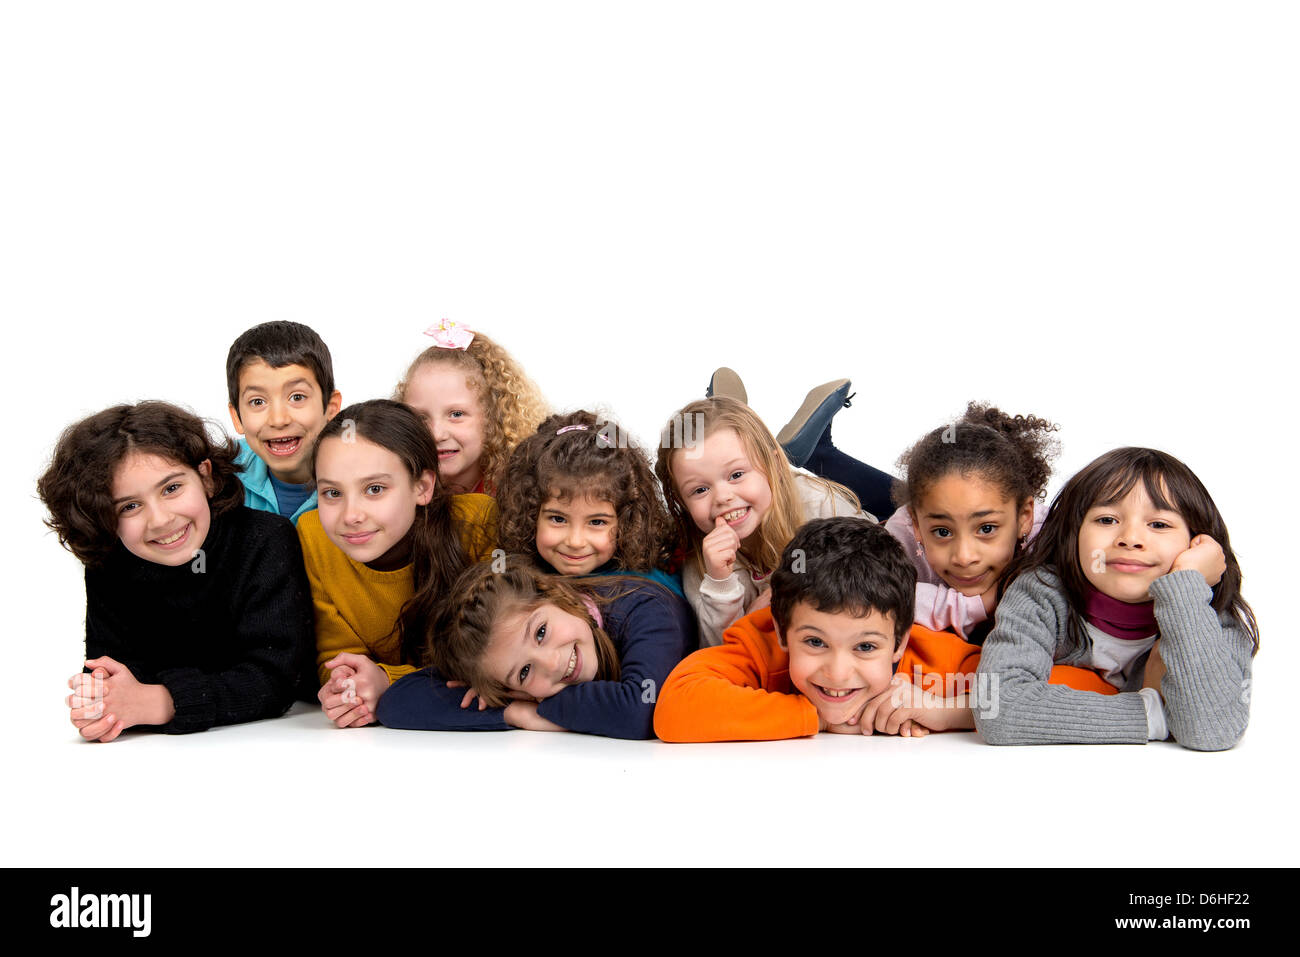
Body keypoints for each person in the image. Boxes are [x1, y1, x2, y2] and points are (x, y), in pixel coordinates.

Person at [40, 401, 313, 741]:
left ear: (206, 478)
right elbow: (113, 664)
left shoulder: (263, 542)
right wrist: (101, 701)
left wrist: (162, 701)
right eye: (129, 506)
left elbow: (275, 679)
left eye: (171, 488)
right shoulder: (109, 563)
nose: (161, 519)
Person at [975, 447, 1258, 750]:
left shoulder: (1213, 615)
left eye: (1159, 524)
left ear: (1196, 541)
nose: (1130, 538)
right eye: (1107, 520)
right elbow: (998, 708)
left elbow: (1214, 731)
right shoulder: (1040, 593)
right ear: (1074, 532)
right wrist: (1153, 713)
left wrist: (1186, 587)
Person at [299, 399, 497, 727]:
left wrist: (389, 681)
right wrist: (348, 685)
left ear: (422, 487)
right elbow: (335, 654)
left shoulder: (478, 524)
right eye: (332, 494)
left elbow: (495, 658)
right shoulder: (313, 535)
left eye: (374, 489)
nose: (351, 516)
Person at [377, 559, 693, 739]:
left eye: (541, 632)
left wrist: (540, 707)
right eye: (524, 672)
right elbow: (396, 702)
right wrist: (513, 712)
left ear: (557, 596)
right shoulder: (501, 662)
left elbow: (639, 709)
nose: (553, 663)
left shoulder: (648, 610)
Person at [656, 395, 872, 647]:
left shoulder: (820, 505)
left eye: (736, 475)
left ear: (774, 467)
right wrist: (721, 584)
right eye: (699, 490)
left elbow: (879, 574)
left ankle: (819, 451)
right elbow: (724, 652)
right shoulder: (704, 566)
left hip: (880, 526)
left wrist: (784, 590)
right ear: (682, 503)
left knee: (909, 503)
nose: (723, 497)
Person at [885, 402, 1059, 642]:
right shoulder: (903, 530)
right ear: (916, 525)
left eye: (986, 529)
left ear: (1024, 518)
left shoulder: (1051, 538)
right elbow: (873, 596)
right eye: (943, 532)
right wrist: (977, 604)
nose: (964, 557)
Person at [495, 409, 684, 597]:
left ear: (627, 522)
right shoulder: (518, 580)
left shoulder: (646, 598)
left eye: (596, 522)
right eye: (558, 519)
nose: (575, 542)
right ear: (530, 515)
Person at [392, 319, 547, 494]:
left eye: (456, 414)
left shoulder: (519, 496)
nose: (436, 434)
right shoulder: (397, 493)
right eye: (421, 418)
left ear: (493, 417)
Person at [225, 320, 342, 524]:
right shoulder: (220, 477)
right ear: (237, 417)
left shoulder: (363, 474)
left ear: (331, 407)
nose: (279, 420)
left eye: (297, 397)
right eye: (258, 401)